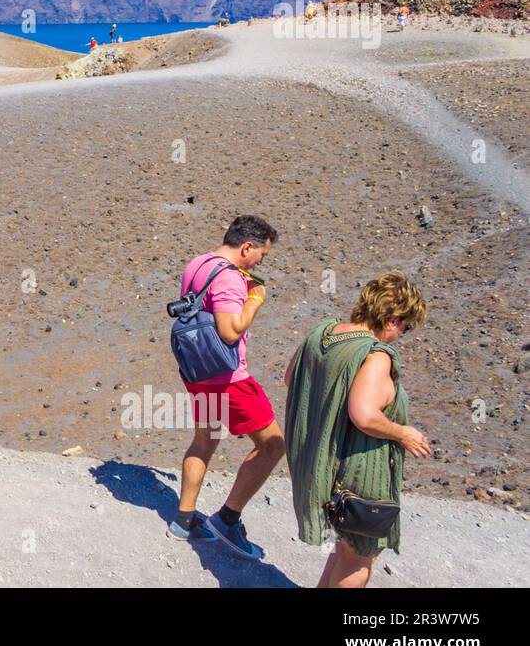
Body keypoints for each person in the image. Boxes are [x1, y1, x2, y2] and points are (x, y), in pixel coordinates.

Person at [285, 271, 429, 588]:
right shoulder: (375, 355)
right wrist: (403, 433)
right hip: (357, 471)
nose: (404, 333)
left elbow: (291, 379)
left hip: (318, 465)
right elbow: (364, 415)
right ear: (392, 318)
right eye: (407, 326)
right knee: (361, 555)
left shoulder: (321, 334)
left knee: (345, 547)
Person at [167, 214, 286, 558]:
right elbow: (230, 331)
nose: (262, 260)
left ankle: (184, 520)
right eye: (262, 254)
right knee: (273, 445)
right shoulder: (231, 278)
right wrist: (255, 299)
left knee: (204, 440)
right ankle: (227, 519)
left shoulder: (198, 263)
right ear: (247, 247)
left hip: (197, 371)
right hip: (229, 380)